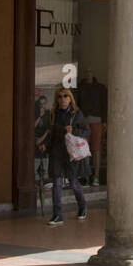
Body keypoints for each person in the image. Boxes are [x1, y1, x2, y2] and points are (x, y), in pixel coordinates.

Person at [43, 88, 89, 226]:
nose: (62, 99)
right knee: (57, 183)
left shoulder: (76, 114)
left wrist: (73, 130)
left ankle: (82, 206)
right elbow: (51, 133)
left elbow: (86, 131)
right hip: (57, 152)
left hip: (71, 153)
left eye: (65, 96)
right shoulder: (53, 114)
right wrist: (46, 145)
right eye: (60, 97)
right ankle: (57, 215)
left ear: (70, 99)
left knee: (73, 182)